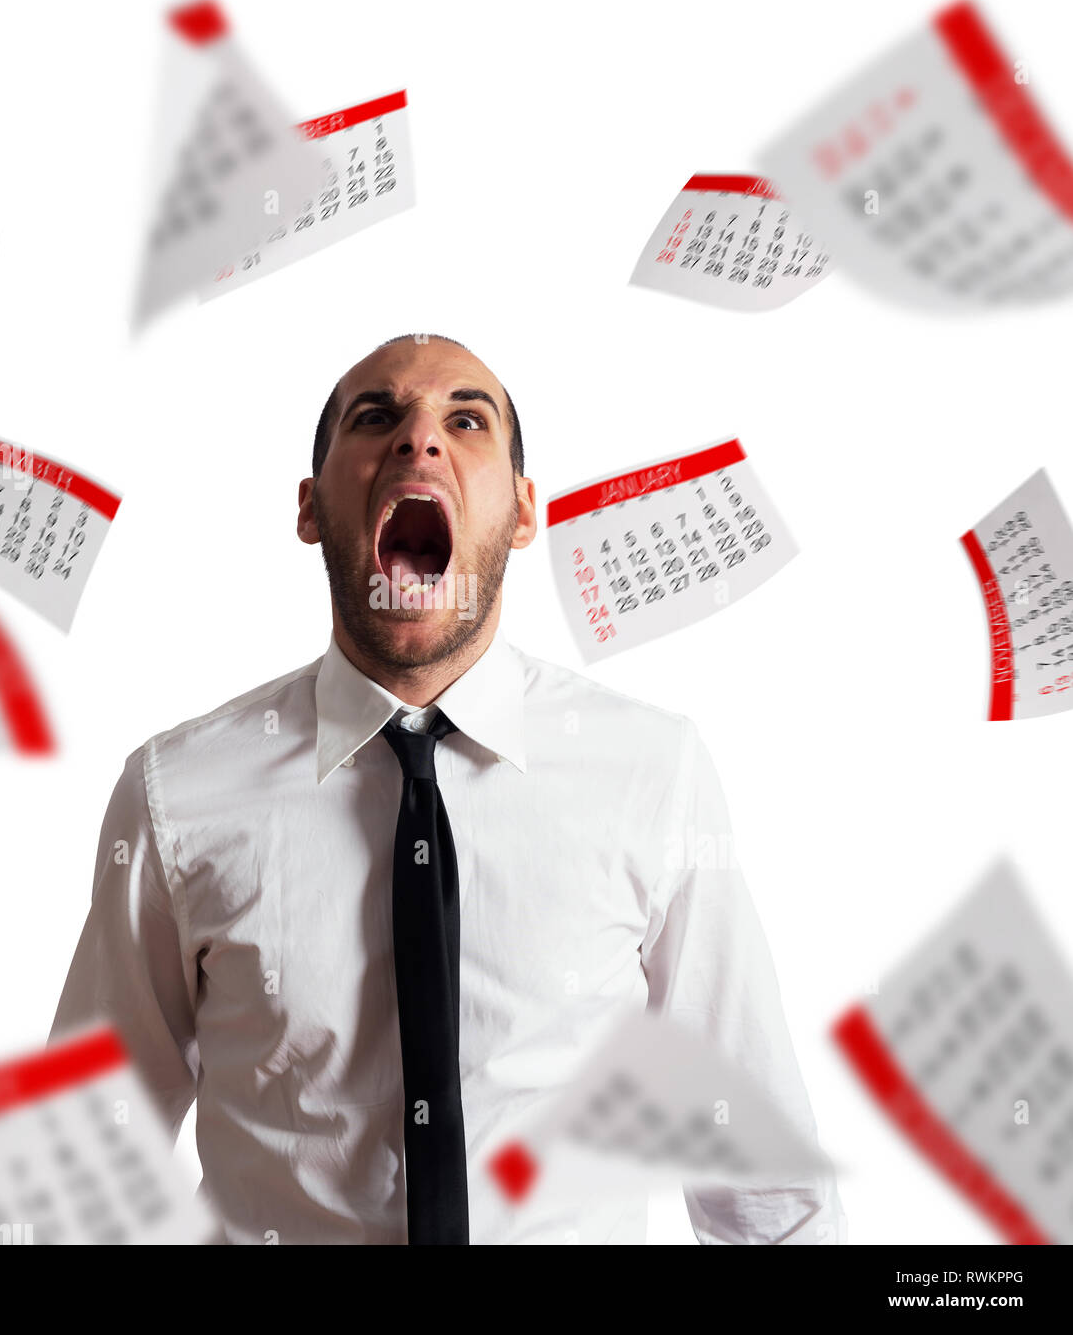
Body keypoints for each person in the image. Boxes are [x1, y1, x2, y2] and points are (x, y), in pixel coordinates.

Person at [50, 332, 842, 1244]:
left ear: (521, 511)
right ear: (310, 510)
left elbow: (765, 1192)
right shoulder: (177, 795)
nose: (418, 440)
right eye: (376, 417)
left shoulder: (650, 772)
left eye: (465, 420)